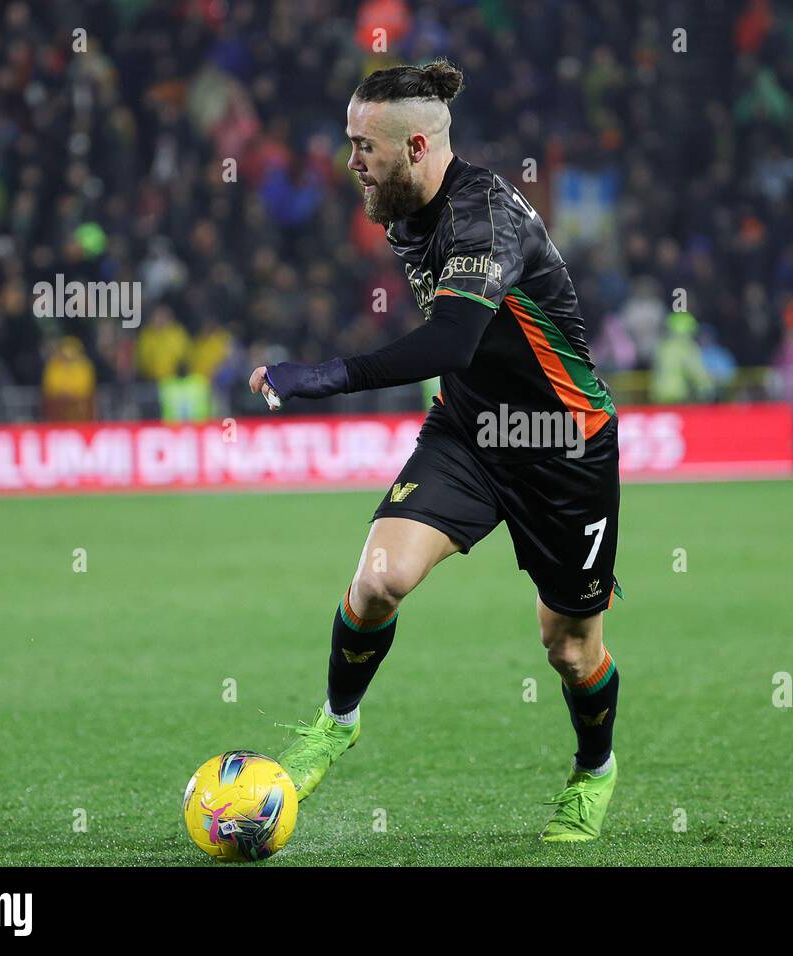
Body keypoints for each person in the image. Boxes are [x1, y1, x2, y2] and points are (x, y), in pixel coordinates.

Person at [248, 59, 623, 842]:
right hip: (470, 430)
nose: (351, 161)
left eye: (364, 148)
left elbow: (453, 337)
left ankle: (594, 771)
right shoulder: (400, 200)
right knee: (379, 581)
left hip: (562, 442)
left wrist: (320, 377)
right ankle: (335, 721)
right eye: (350, 142)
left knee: (568, 648)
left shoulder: (483, 216)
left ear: (417, 147)